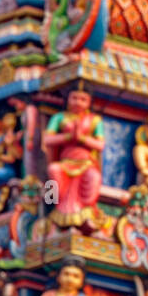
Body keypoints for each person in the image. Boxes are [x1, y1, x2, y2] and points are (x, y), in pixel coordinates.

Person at [42, 89, 105, 228]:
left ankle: (88, 213)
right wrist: (69, 137)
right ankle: (51, 207)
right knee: (52, 170)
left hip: (86, 163)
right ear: (68, 100)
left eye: (83, 99)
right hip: (65, 162)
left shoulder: (95, 120)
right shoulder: (59, 118)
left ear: (89, 103)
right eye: (74, 98)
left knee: (94, 177)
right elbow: (47, 140)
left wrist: (81, 138)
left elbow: (100, 145)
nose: (78, 102)